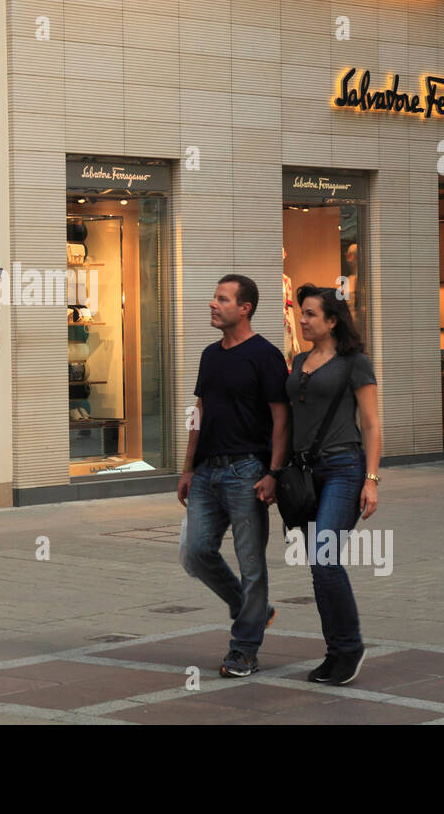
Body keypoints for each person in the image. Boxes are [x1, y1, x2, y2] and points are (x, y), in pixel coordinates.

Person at [177, 274, 290, 678]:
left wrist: (273, 472)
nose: (212, 303)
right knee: (195, 552)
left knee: (251, 563)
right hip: (208, 471)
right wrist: (188, 467)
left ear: (245, 308)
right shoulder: (210, 355)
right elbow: (200, 412)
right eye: (213, 296)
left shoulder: (265, 355)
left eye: (222, 299)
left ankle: (244, 648)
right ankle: (252, 609)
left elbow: (281, 419)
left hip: (248, 470)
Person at [286, 284, 381, 686]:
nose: (302, 320)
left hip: (343, 468)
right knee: (317, 565)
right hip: (305, 475)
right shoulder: (296, 361)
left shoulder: (354, 362)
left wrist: (372, 479)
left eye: (309, 314)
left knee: (325, 557)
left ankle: (349, 647)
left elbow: (372, 423)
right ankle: (335, 651)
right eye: (300, 313)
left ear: (332, 320)